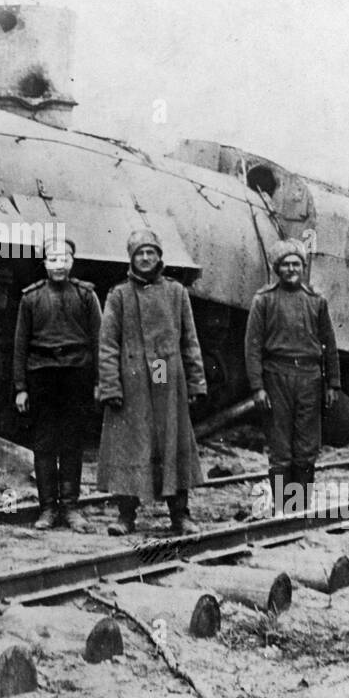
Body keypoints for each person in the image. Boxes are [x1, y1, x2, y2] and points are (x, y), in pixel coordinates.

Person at [96, 229, 207, 536]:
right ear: (131, 259)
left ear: (160, 257)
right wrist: (110, 386)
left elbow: (190, 341)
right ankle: (126, 515)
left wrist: (196, 381)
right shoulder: (118, 295)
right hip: (132, 383)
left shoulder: (176, 293)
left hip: (164, 376)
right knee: (131, 447)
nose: (145, 258)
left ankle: (180, 514)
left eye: (151, 253)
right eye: (139, 253)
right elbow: (107, 345)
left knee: (171, 443)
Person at [244, 238, 341, 516]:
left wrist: (333, 383)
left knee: (307, 445)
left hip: (310, 378)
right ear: (277, 268)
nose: (290, 269)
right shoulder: (263, 300)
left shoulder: (316, 301)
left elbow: (329, 345)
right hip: (276, 376)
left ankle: (299, 508)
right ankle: (282, 508)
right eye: (285, 264)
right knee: (280, 444)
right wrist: (257, 387)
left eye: (295, 264)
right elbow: (252, 347)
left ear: (303, 266)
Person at [13, 236, 101, 531]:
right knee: (45, 443)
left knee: (73, 442)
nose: (59, 265)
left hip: (76, 375)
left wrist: (100, 382)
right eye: (53, 259)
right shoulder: (31, 298)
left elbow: (99, 342)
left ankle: (71, 508)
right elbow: (20, 346)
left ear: (72, 262)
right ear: (45, 263)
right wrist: (21, 387)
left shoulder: (86, 296)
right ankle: (48, 508)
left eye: (64, 259)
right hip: (43, 376)